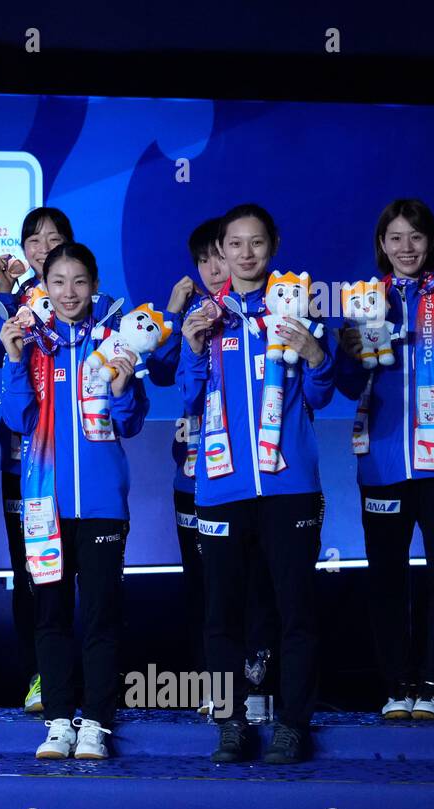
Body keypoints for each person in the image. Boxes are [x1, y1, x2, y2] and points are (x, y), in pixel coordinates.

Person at [177, 203, 333, 764]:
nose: (246, 254)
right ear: (221, 252)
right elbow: (190, 400)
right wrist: (193, 350)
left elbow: (319, 396)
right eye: (234, 245)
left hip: (289, 486)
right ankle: (230, 723)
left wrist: (317, 356)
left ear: (273, 247)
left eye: (257, 243)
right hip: (220, 489)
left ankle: (293, 723)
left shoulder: (294, 310)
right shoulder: (205, 316)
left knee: (295, 609)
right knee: (221, 613)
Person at [334, 199, 434, 719]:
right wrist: (349, 350)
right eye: (395, 238)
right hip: (382, 463)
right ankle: (397, 685)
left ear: (430, 241)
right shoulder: (364, 300)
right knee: (386, 577)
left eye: (415, 237)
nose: (405, 248)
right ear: (381, 245)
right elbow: (347, 384)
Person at [0, 242, 147, 759]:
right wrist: (15, 360)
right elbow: (18, 420)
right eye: (58, 281)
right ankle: (60, 719)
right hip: (45, 504)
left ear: (94, 285)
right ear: (45, 285)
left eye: (79, 281)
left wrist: (126, 389)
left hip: (104, 504)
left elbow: (129, 421)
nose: (69, 292)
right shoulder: (34, 344)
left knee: (102, 615)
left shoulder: (115, 340)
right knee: (52, 615)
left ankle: (97, 723)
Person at [161, 219, 280, 713]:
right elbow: (166, 371)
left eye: (222, 255)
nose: (216, 267)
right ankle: (214, 692)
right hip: (195, 475)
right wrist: (173, 318)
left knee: (259, 583)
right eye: (206, 259)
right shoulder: (193, 318)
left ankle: (260, 687)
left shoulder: (264, 311)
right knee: (206, 589)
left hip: (253, 476)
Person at [0, 207, 74, 712]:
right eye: (34, 240)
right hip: (24, 460)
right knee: (29, 571)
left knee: (73, 574)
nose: (43, 247)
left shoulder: (90, 305)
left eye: (54, 238)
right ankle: (38, 676)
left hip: (79, 465)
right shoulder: (12, 306)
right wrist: (1, 297)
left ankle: (72, 671)